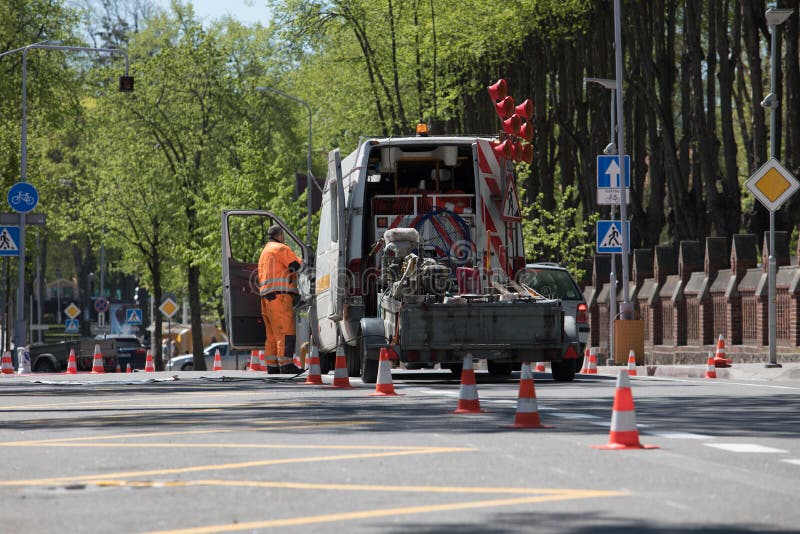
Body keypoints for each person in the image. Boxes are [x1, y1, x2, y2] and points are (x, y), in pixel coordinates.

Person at [258, 225, 303, 374]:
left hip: (266, 297)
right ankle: (286, 364)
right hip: (280, 296)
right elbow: (297, 266)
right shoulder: (281, 249)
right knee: (285, 331)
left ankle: (272, 365)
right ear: (280, 235)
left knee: (272, 335)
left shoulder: (265, 252)